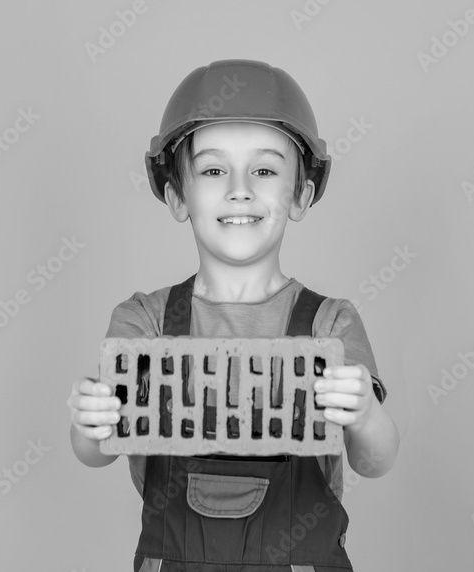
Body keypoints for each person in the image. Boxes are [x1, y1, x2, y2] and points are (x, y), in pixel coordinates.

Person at [68, 59, 399, 572]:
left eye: (265, 170)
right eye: (213, 170)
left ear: (302, 194)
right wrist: (90, 424)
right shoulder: (144, 321)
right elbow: (95, 452)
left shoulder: (329, 324)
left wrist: (365, 415)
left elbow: (373, 461)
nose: (239, 188)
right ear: (178, 195)